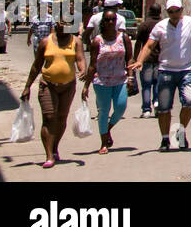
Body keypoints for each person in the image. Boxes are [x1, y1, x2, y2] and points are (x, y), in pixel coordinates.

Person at [128, 0, 191, 151]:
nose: (174, 14)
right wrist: (140, 61)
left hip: (186, 71)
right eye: (171, 11)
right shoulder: (160, 26)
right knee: (164, 107)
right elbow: (149, 45)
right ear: (167, 12)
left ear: (181, 10)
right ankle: (165, 139)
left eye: (176, 11)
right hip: (166, 71)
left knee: (189, 102)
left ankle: (181, 131)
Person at [19, 14, 85, 168]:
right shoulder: (46, 42)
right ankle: (49, 156)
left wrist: (83, 70)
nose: (65, 26)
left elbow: (80, 59)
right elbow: (37, 65)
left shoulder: (76, 41)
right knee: (49, 117)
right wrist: (27, 87)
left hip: (68, 86)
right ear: (56, 24)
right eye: (62, 23)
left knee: (61, 118)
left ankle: (54, 147)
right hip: (47, 85)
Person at [82, 9, 132, 154]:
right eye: (107, 20)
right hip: (101, 81)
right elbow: (92, 64)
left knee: (120, 107)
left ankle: (107, 129)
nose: (110, 22)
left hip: (120, 79)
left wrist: (130, 77)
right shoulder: (97, 41)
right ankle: (103, 142)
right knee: (103, 111)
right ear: (103, 22)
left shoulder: (124, 38)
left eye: (113, 19)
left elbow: (129, 58)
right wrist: (86, 86)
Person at [133, 4, 163, 117]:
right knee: (157, 84)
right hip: (160, 59)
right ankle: (157, 105)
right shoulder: (163, 25)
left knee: (146, 85)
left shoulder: (144, 25)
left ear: (149, 11)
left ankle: (146, 110)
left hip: (146, 59)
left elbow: (138, 43)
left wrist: (135, 58)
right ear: (160, 12)